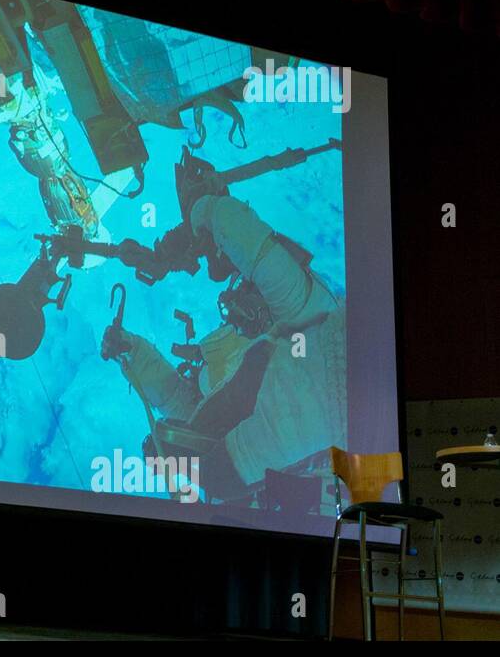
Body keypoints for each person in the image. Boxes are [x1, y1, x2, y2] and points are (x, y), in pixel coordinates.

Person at [102, 192, 346, 502]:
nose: (239, 315)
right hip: (249, 484)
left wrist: (200, 214)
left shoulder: (306, 312)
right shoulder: (262, 345)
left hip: (257, 479)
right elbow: (183, 404)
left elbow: (252, 247)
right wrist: (132, 352)